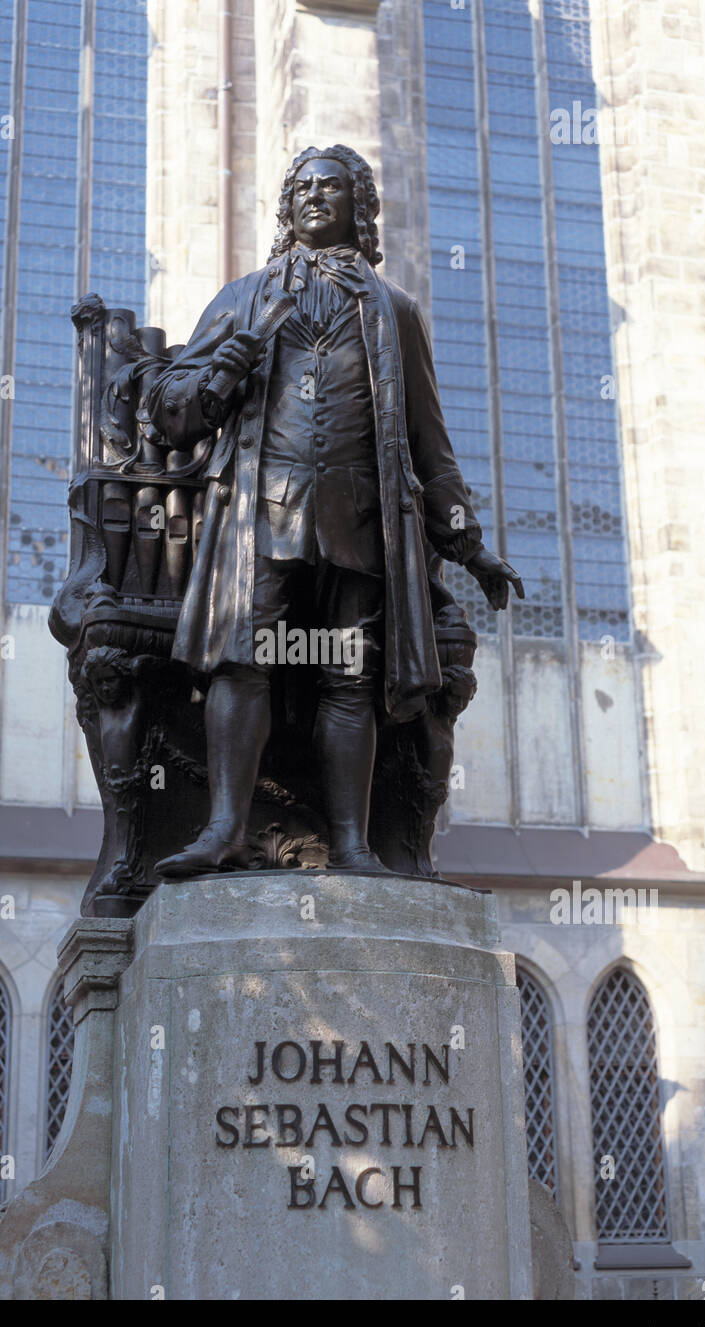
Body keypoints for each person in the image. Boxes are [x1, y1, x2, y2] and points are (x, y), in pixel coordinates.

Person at [147, 144, 522, 876]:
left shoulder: (395, 311)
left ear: (360, 206)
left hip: (360, 520)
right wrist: (221, 373)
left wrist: (468, 545)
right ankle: (223, 830)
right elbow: (171, 413)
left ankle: (352, 845)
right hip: (260, 512)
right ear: (287, 208)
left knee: (348, 675)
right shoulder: (243, 296)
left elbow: (428, 444)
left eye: (334, 187)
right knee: (239, 661)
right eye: (305, 187)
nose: (317, 196)